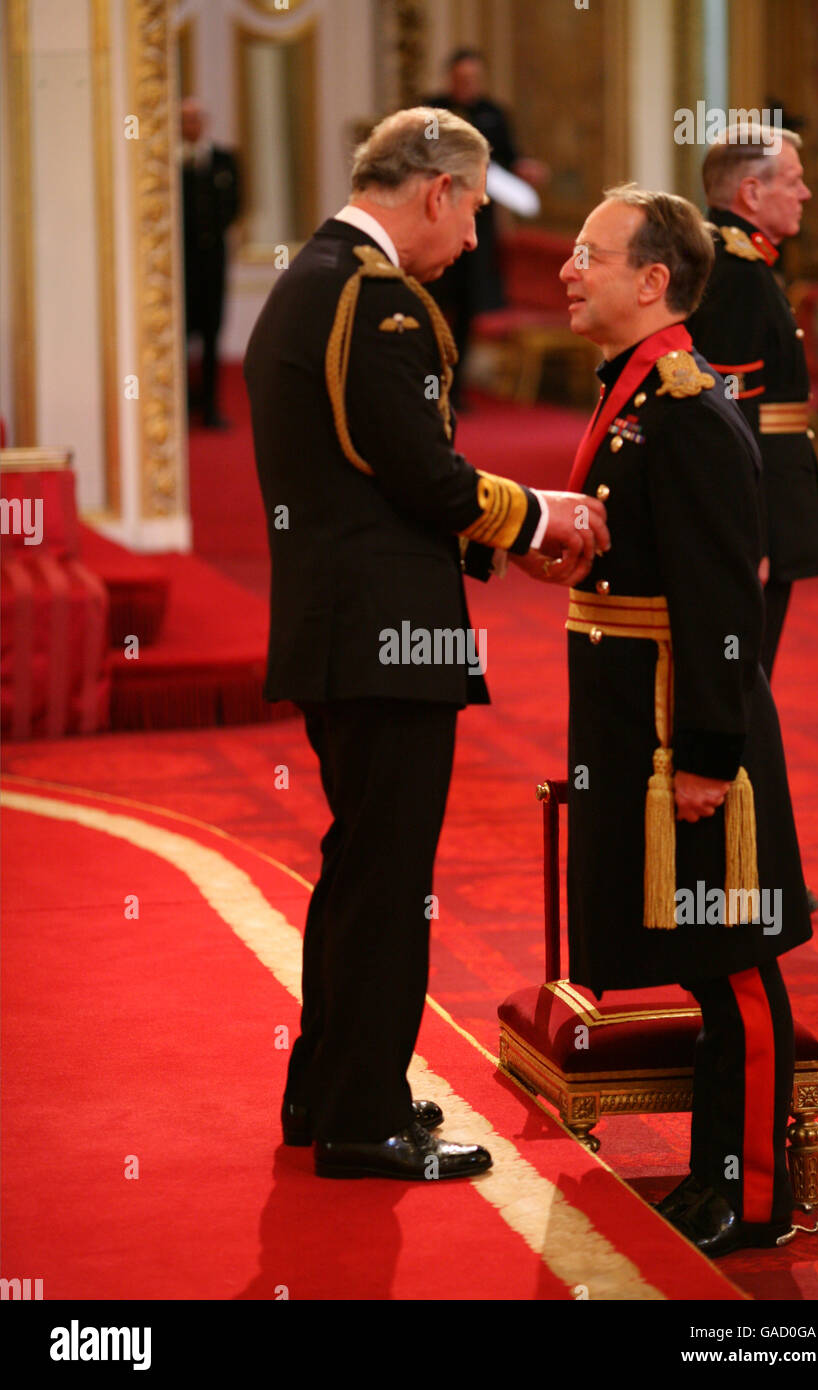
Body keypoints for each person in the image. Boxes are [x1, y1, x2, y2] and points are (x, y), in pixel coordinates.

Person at [243, 107, 609, 1182]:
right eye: (474, 211)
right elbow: (418, 473)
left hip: (345, 626)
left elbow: (379, 483)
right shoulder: (375, 297)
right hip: (382, 639)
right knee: (389, 879)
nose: (474, 236)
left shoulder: (315, 277)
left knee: (359, 869)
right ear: (435, 189)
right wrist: (543, 519)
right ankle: (364, 1115)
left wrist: (502, 534)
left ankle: (324, 1088)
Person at [513, 185, 817, 1256]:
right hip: (635, 725)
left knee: (730, 961)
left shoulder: (684, 406)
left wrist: (705, 759)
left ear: (650, 281)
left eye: (586, 254)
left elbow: (722, 605)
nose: (565, 269)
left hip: (681, 738)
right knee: (700, 956)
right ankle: (711, 1177)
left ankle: (751, 1195)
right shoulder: (639, 396)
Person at [687, 125, 818, 680]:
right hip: (758, 508)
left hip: (768, 496)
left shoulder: (740, 263)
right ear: (751, 193)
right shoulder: (734, 273)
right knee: (741, 681)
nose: (805, 194)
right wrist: (747, 535)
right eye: (794, 182)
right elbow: (726, 416)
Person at [425, 49, 547, 404]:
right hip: (436, 222)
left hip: (476, 229)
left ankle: (456, 388)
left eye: (472, 79)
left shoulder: (494, 115)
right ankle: (428, 383)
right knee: (431, 303)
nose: (467, 85)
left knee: (467, 307)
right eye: (461, 79)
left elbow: (508, 160)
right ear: (450, 78)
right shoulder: (431, 111)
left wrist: (524, 169)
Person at [180, 97, 241, 429]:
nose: (190, 125)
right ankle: (183, 403)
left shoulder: (223, 160)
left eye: (195, 119)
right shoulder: (169, 164)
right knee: (179, 336)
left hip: (212, 262)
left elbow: (234, 206)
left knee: (212, 333)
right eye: (184, 120)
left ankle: (211, 406)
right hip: (178, 267)